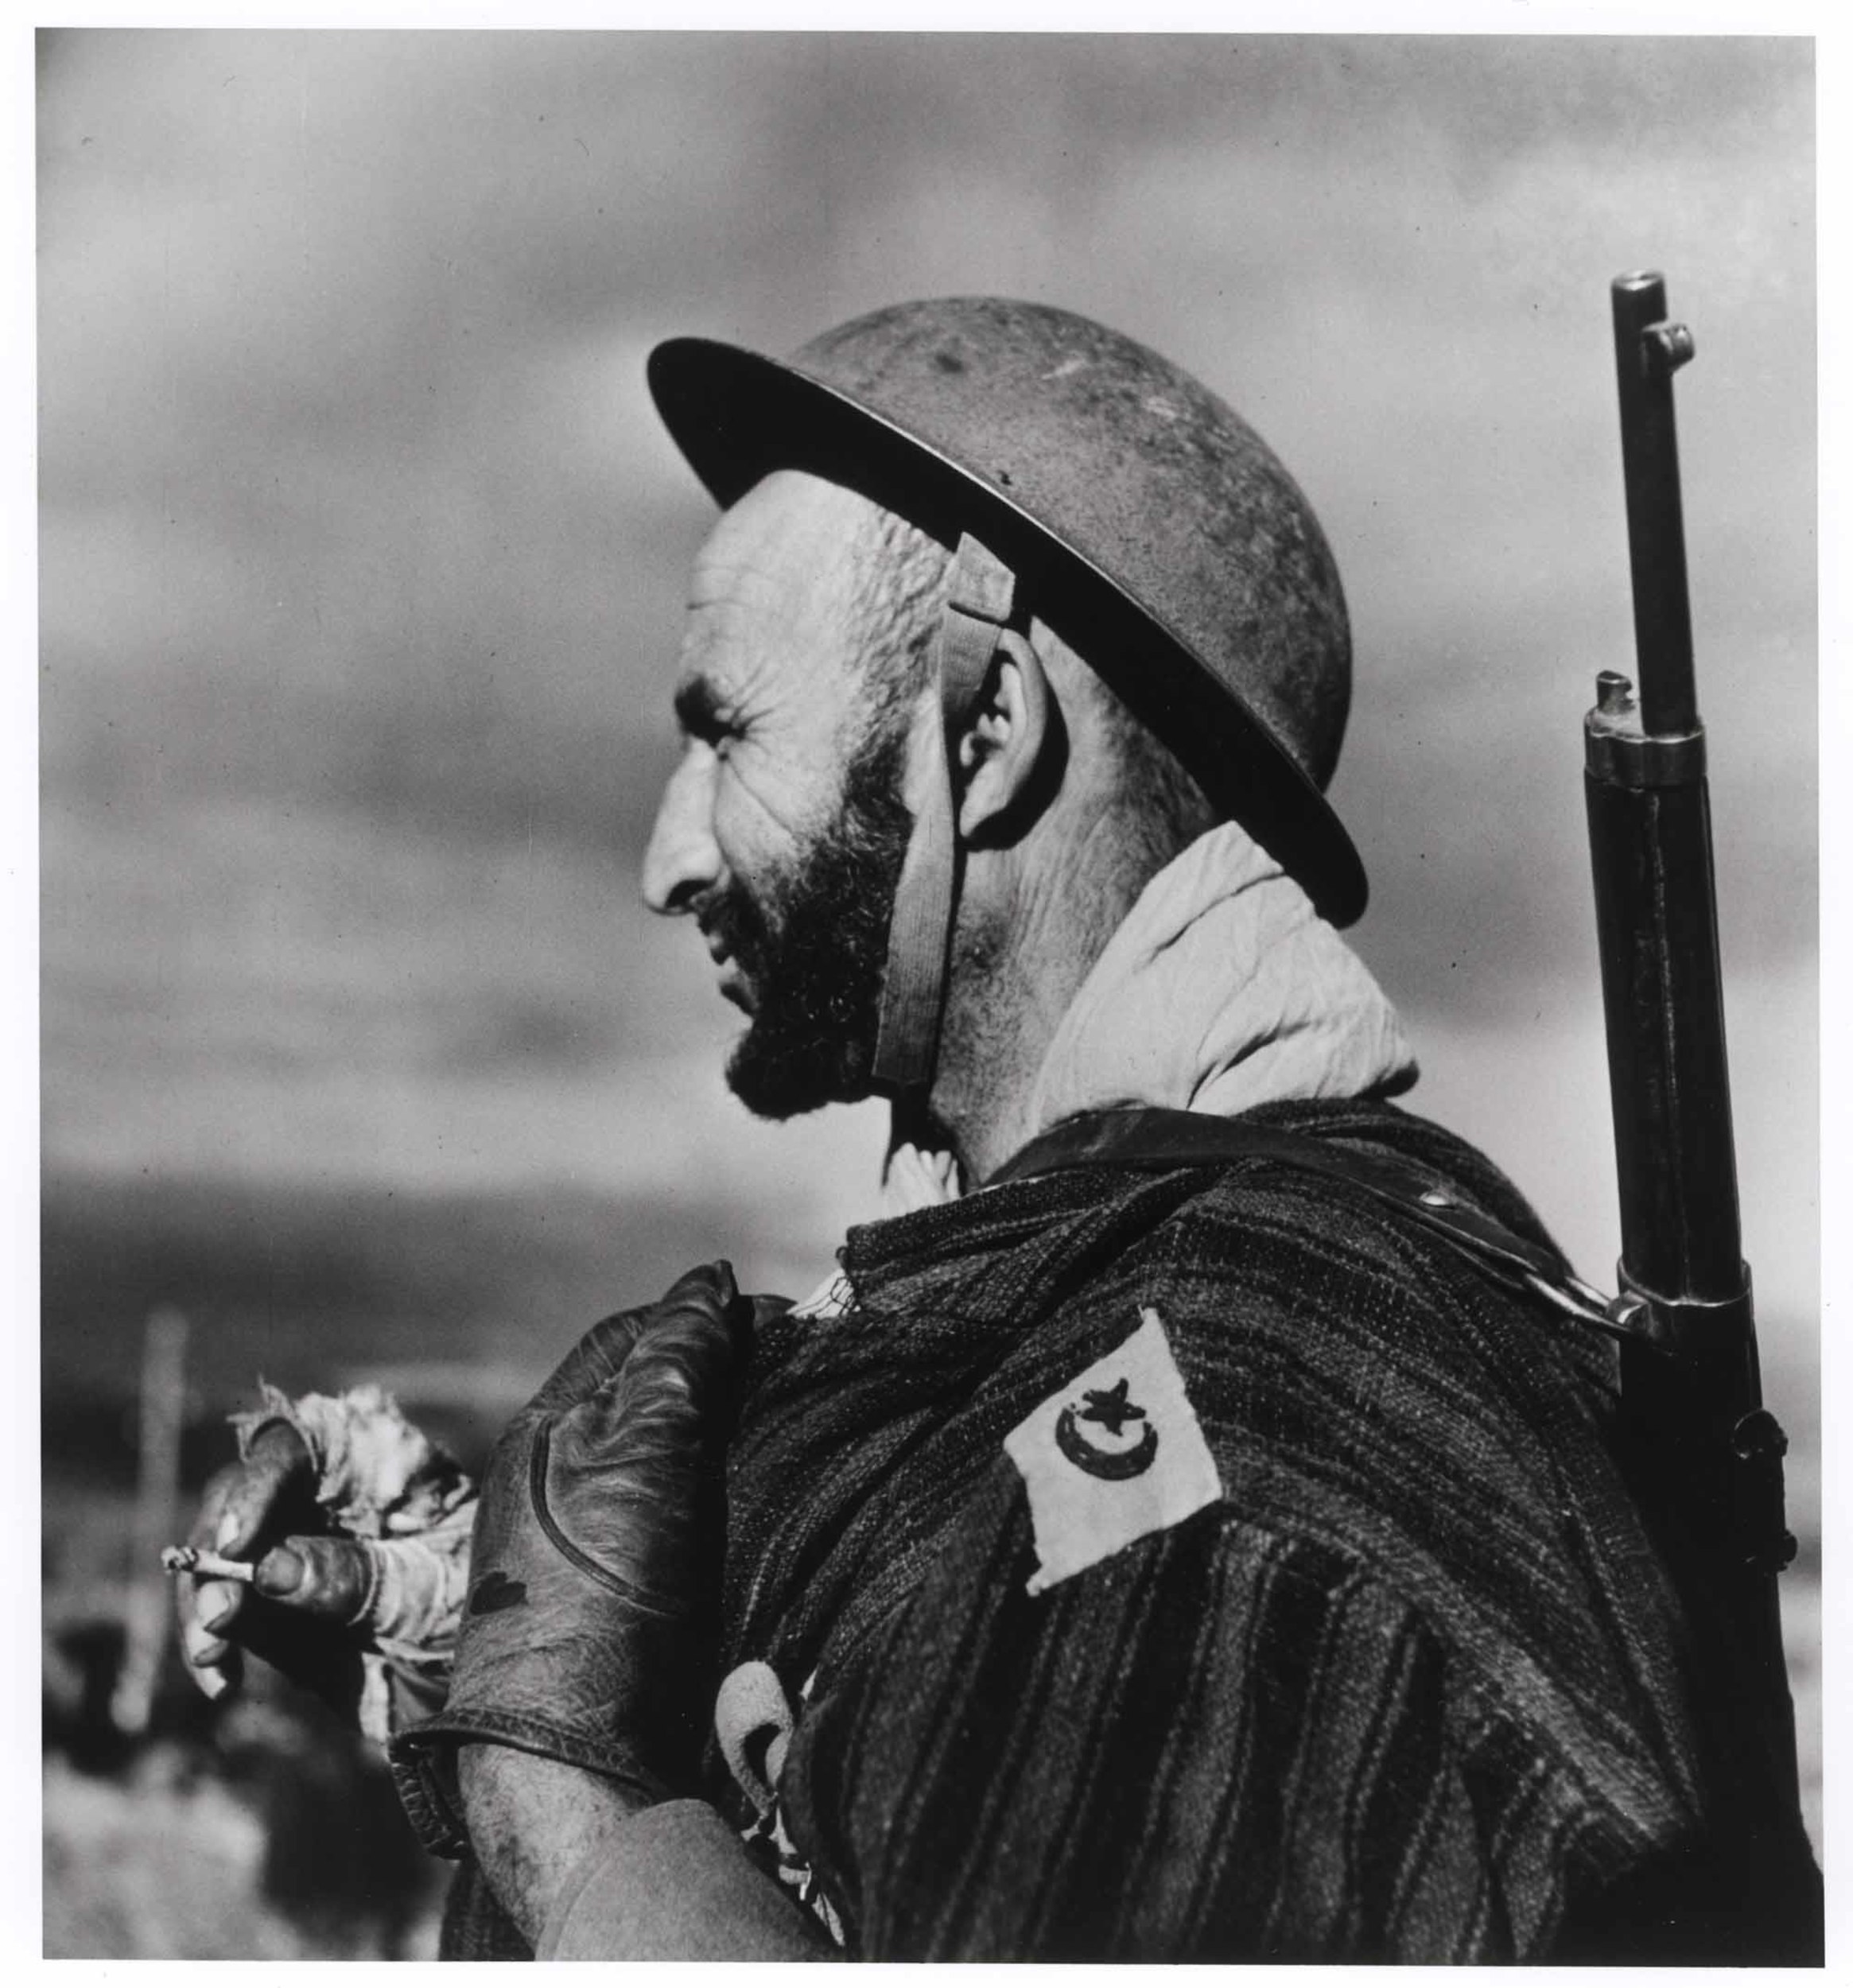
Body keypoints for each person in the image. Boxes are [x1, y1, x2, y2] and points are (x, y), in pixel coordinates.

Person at [177, 298, 1820, 1963]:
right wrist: (468, 1620)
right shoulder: (1099, 1332)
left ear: (987, 727)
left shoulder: (1261, 1424)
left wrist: (560, 1787)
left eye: (726, 730)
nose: (668, 855)